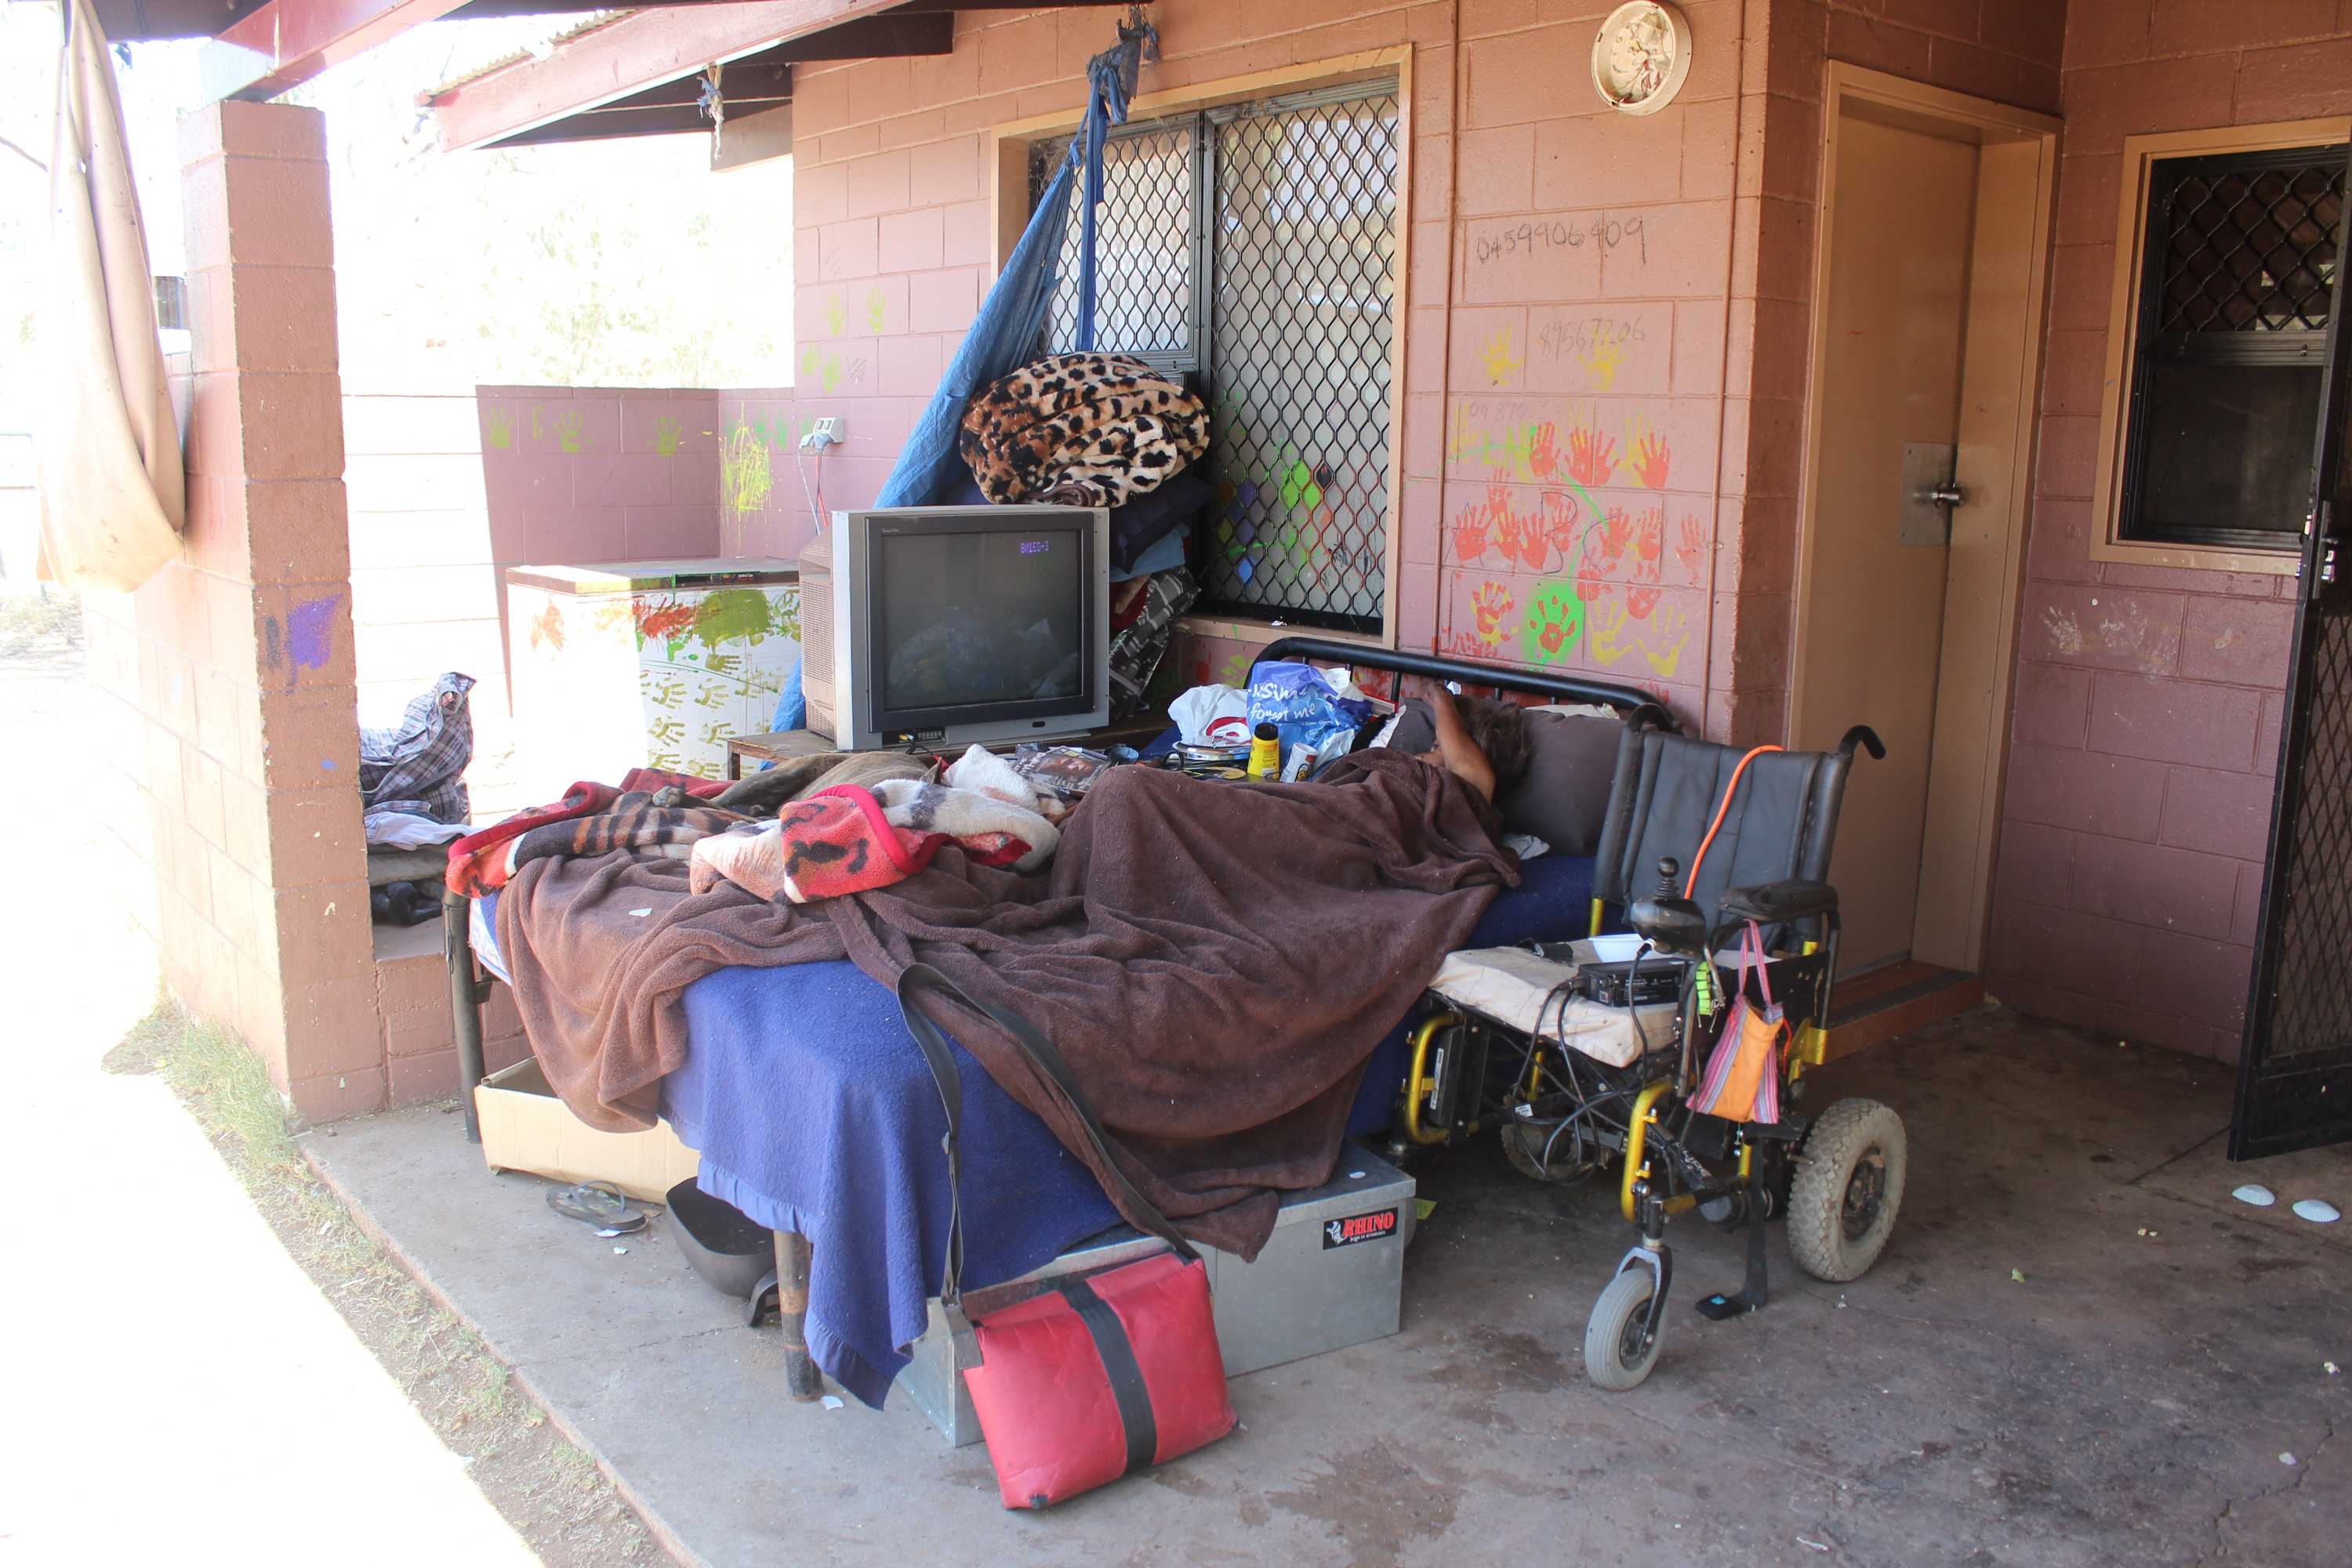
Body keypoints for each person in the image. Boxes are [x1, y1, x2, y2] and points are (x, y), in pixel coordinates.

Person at [1392, 674, 1533, 806]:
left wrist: (1441, 699)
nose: (1419, 756)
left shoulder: (1461, 804)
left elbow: (1475, 781)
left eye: (1437, 747)